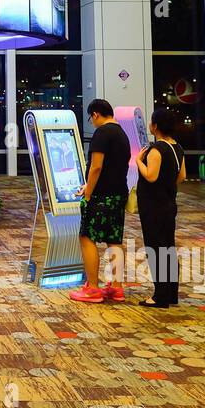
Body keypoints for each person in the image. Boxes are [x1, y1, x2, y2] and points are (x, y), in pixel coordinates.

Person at [70, 99, 131, 305]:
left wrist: (88, 193)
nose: (91, 121)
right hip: (118, 194)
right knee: (114, 240)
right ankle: (116, 287)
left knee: (87, 237)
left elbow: (96, 167)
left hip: (100, 196)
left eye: (91, 117)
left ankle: (93, 288)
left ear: (95, 114)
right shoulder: (122, 134)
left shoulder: (102, 133)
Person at [134, 107, 186, 308]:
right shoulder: (177, 147)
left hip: (153, 206)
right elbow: (181, 176)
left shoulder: (157, 149)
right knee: (168, 248)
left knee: (156, 248)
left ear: (155, 126)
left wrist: (139, 161)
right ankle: (171, 293)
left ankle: (160, 296)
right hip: (168, 204)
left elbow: (150, 175)